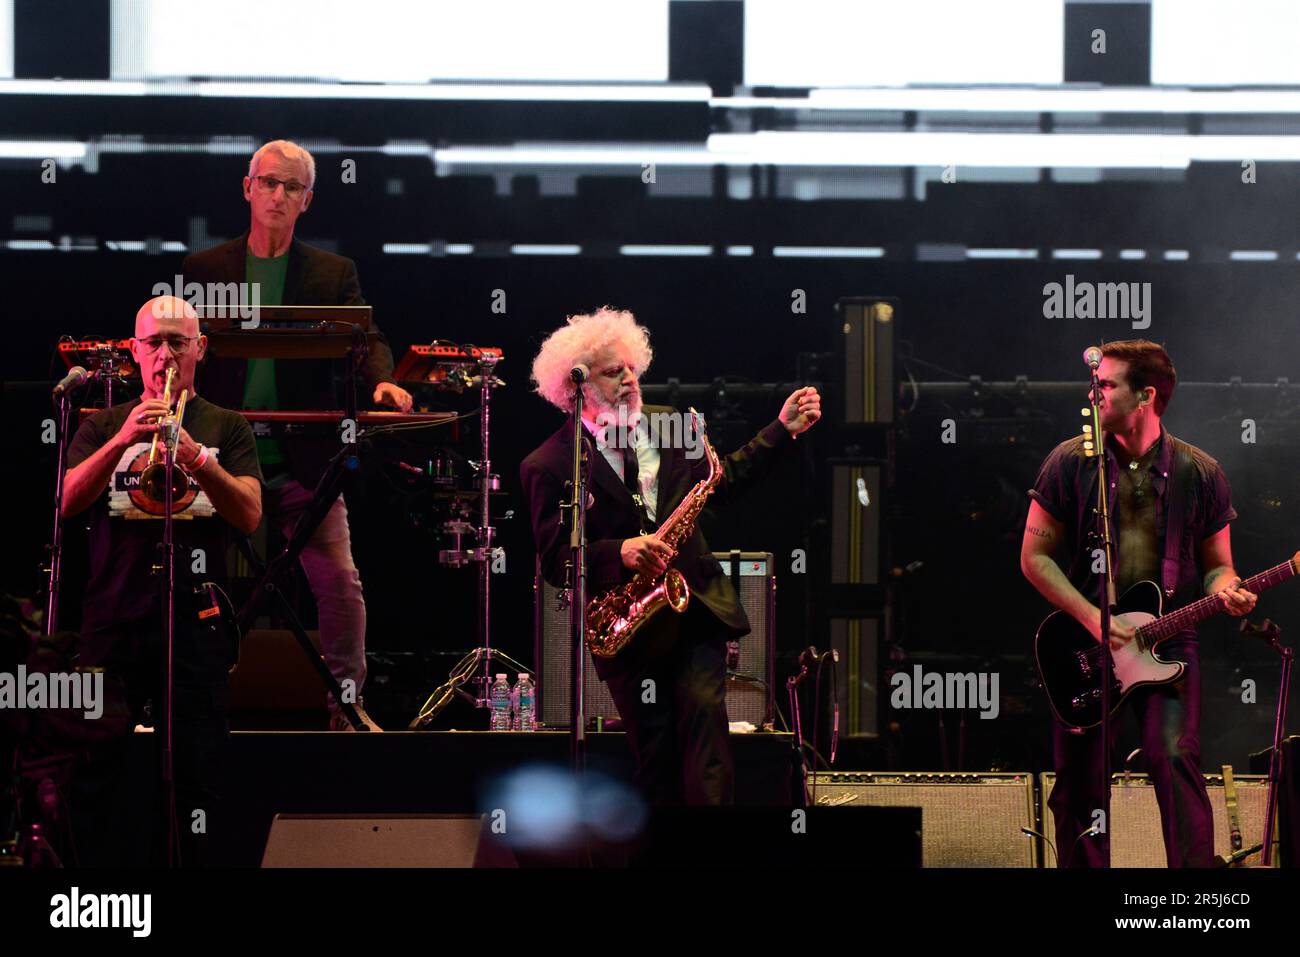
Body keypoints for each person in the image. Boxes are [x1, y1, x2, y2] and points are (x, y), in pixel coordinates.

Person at [521, 307, 821, 804]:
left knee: (706, 737)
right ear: (576, 385)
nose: (629, 380)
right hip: (627, 626)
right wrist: (620, 551)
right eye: (612, 372)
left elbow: (719, 482)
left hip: (694, 609)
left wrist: (780, 430)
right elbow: (557, 561)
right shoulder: (547, 464)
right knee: (656, 757)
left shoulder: (673, 426)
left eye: (631, 368)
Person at [183, 140, 412, 730]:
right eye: (268, 183)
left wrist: (382, 383)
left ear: (307, 200)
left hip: (302, 461)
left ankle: (345, 705)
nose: (278, 195)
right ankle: (182, 703)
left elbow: (369, 338)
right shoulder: (205, 271)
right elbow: (181, 349)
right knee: (176, 574)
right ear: (247, 188)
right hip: (216, 459)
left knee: (339, 582)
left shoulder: (333, 273)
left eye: (292, 187)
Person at [1020, 339, 1257, 867]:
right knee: (1081, 782)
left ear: (1145, 395)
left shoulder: (1200, 472)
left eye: (1105, 385)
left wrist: (1227, 590)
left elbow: (1218, 565)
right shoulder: (1068, 462)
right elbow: (1034, 557)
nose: (1094, 395)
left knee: (1174, 758)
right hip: (1083, 645)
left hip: (1170, 639)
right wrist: (1093, 621)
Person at [63, 296, 262, 865]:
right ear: (134, 350)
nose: (166, 354)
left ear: (200, 349)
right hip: (113, 619)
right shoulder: (104, 423)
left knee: (196, 775)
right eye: (154, 342)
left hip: (193, 623)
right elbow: (67, 502)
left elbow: (249, 514)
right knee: (94, 771)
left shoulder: (226, 425)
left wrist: (198, 458)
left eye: (179, 341)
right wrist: (123, 440)